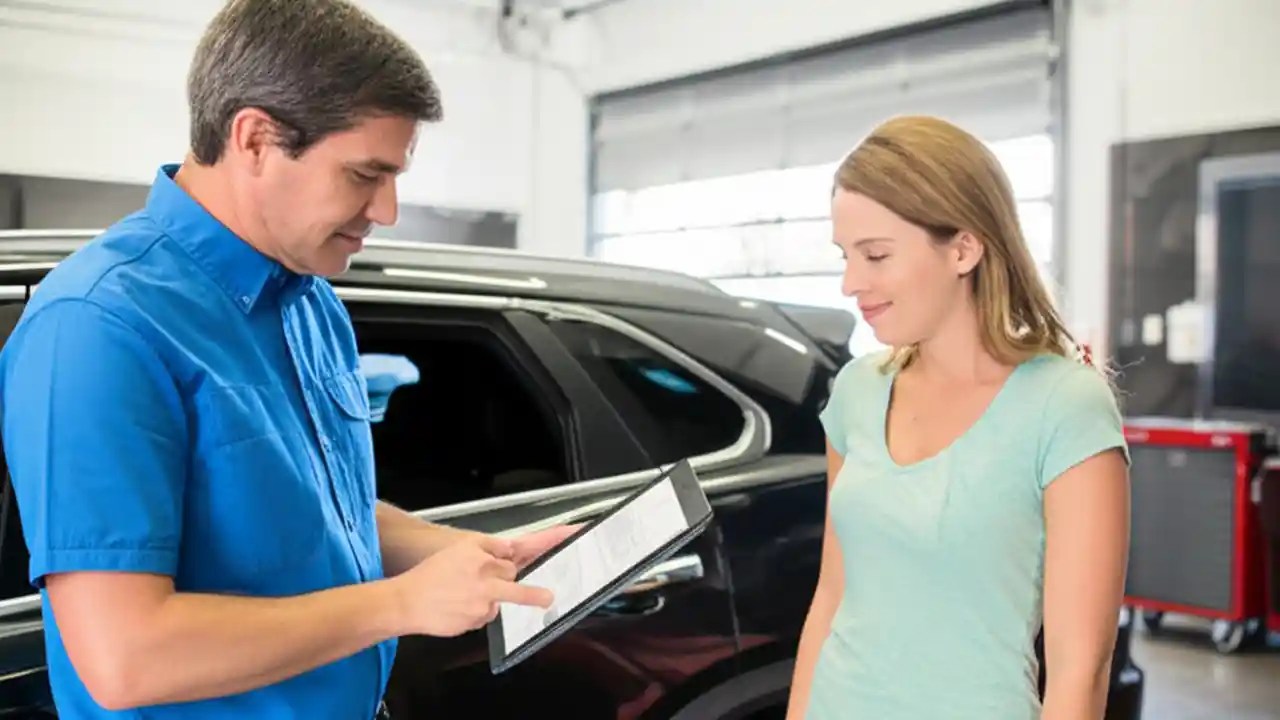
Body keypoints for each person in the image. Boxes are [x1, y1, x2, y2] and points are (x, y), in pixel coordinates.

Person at [0, 0, 575, 717]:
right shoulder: (99, 327)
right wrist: (399, 604)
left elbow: (319, 512)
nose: (388, 210)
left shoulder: (309, 301)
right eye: (365, 174)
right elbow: (126, 657)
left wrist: (464, 556)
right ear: (255, 139)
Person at [785, 116, 1131, 720]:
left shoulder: (1064, 405)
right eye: (846, 256)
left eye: (876, 255)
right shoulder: (858, 393)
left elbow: (1082, 670)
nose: (850, 282)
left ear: (964, 248)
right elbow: (833, 596)